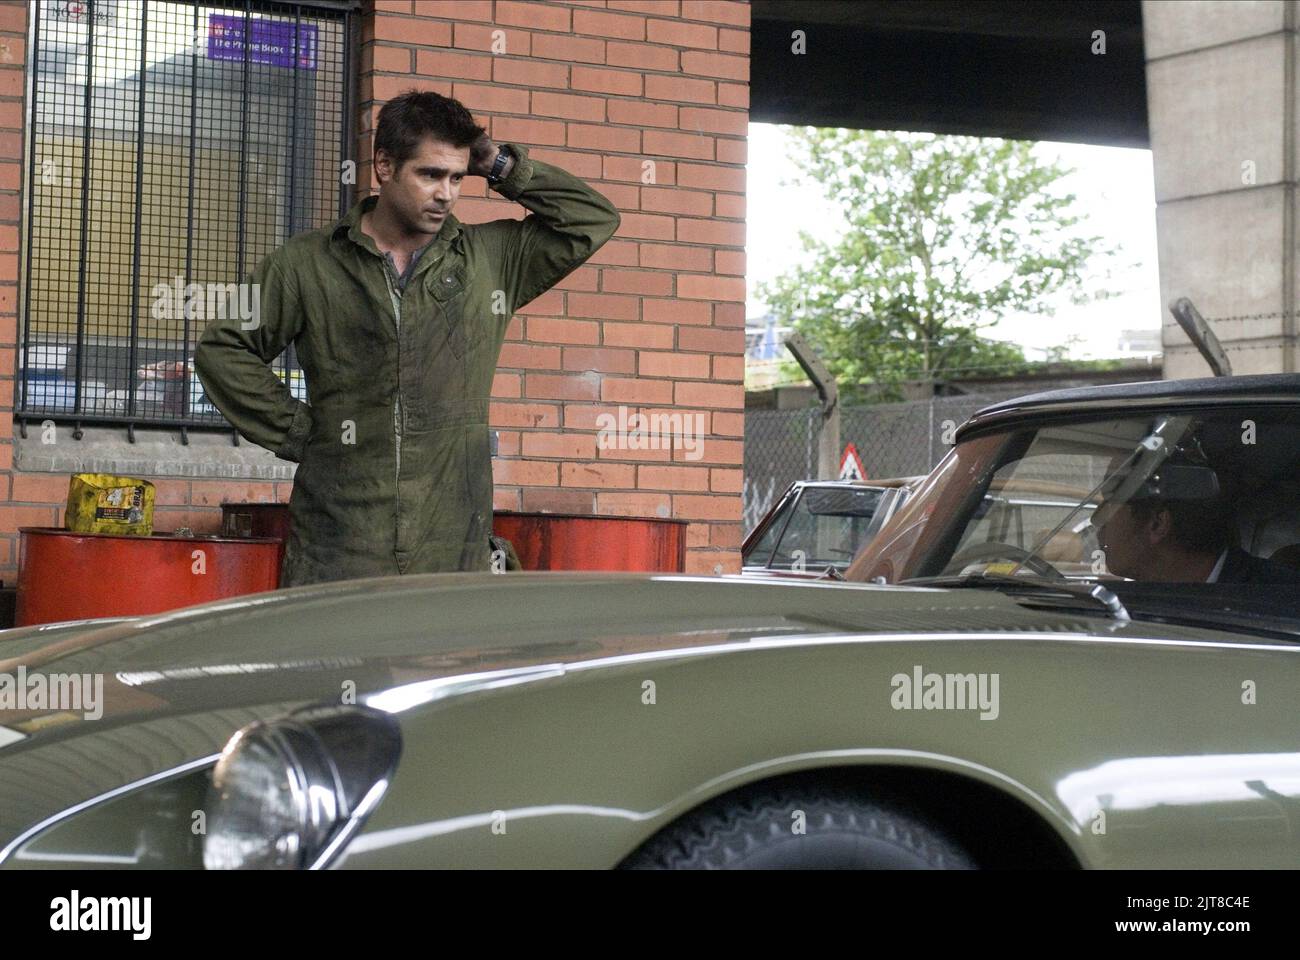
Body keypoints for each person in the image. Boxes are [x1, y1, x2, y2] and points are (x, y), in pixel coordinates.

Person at [196, 91, 620, 586]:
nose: (447, 193)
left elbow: (592, 220)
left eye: (458, 177)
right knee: (335, 664)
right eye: (430, 174)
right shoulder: (307, 264)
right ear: (384, 165)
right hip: (341, 542)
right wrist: (301, 433)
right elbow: (225, 348)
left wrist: (498, 162)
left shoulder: (491, 260)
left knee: (440, 664)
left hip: (451, 544)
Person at [1092, 452, 1300, 585]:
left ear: (1157, 523)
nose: (1096, 520)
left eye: (1110, 504)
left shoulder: (1277, 599)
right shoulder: (1137, 601)